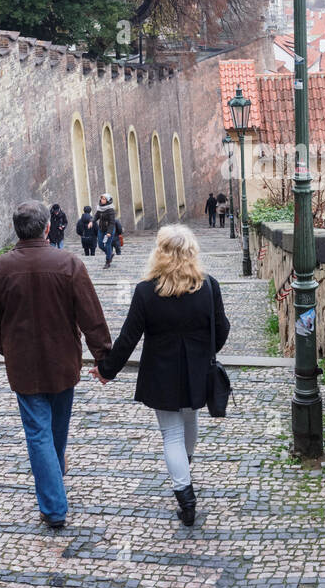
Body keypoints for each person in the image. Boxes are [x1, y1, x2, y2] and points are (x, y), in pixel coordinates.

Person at [0, 200, 111, 530]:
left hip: (24, 367)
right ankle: (54, 506)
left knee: (42, 433)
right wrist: (104, 359)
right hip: (64, 362)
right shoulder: (68, 263)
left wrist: (10, 349)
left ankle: (52, 490)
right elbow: (92, 318)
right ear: (48, 227)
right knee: (53, 429)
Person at [92, 225, 228, 526]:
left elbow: (128, 338)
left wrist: (106, 370)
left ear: (161, 254)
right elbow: (223, 329)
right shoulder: (209, 286)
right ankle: (184, 471)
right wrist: (204, 354)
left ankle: (185, 495)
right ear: (192, 252)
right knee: (189, 420)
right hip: (196, 371)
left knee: (172, 434)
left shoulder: (146, 291)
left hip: (161, 373)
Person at [95, 194, 118, 269]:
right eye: (101, 198)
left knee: (108, 245)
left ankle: (108, 262)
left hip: (109, 230)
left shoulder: (110, 210)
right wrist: (92, 221)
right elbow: (96, 216)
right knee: (100, 245)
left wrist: (109, 232)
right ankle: (110, 254)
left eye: (104, 199)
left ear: (107, 200)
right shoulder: (100, 208)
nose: (102, 200)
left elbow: (112, 222)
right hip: (101, 229)